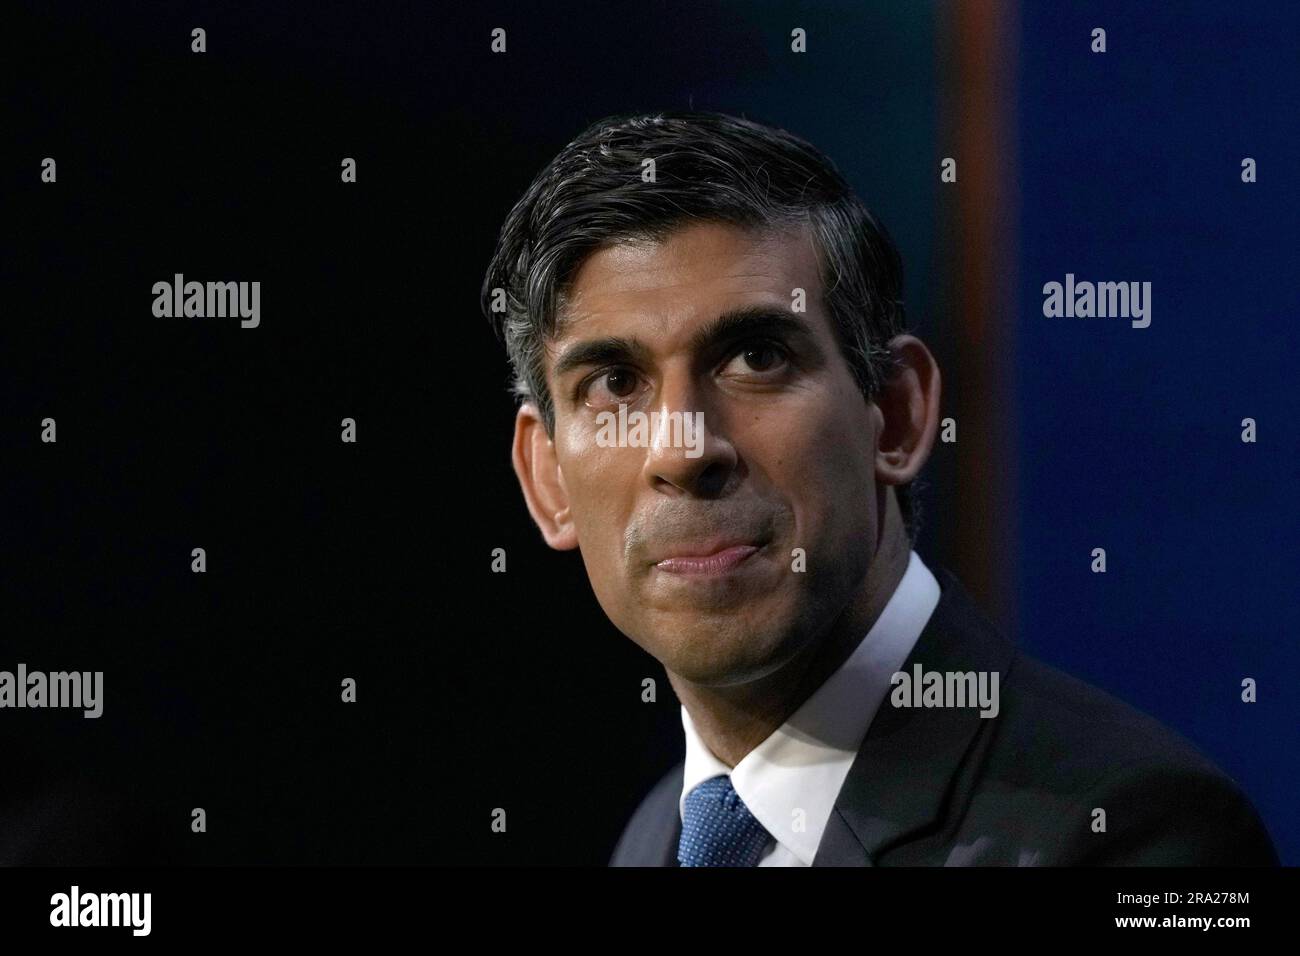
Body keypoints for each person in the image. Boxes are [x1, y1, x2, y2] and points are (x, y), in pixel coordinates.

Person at [480, 110, 1279, 867]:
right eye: (615, 383)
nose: (685, 450)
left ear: (895, 415)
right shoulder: (660, 835)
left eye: (757, 358)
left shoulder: (1133, 834)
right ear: (547, 478)